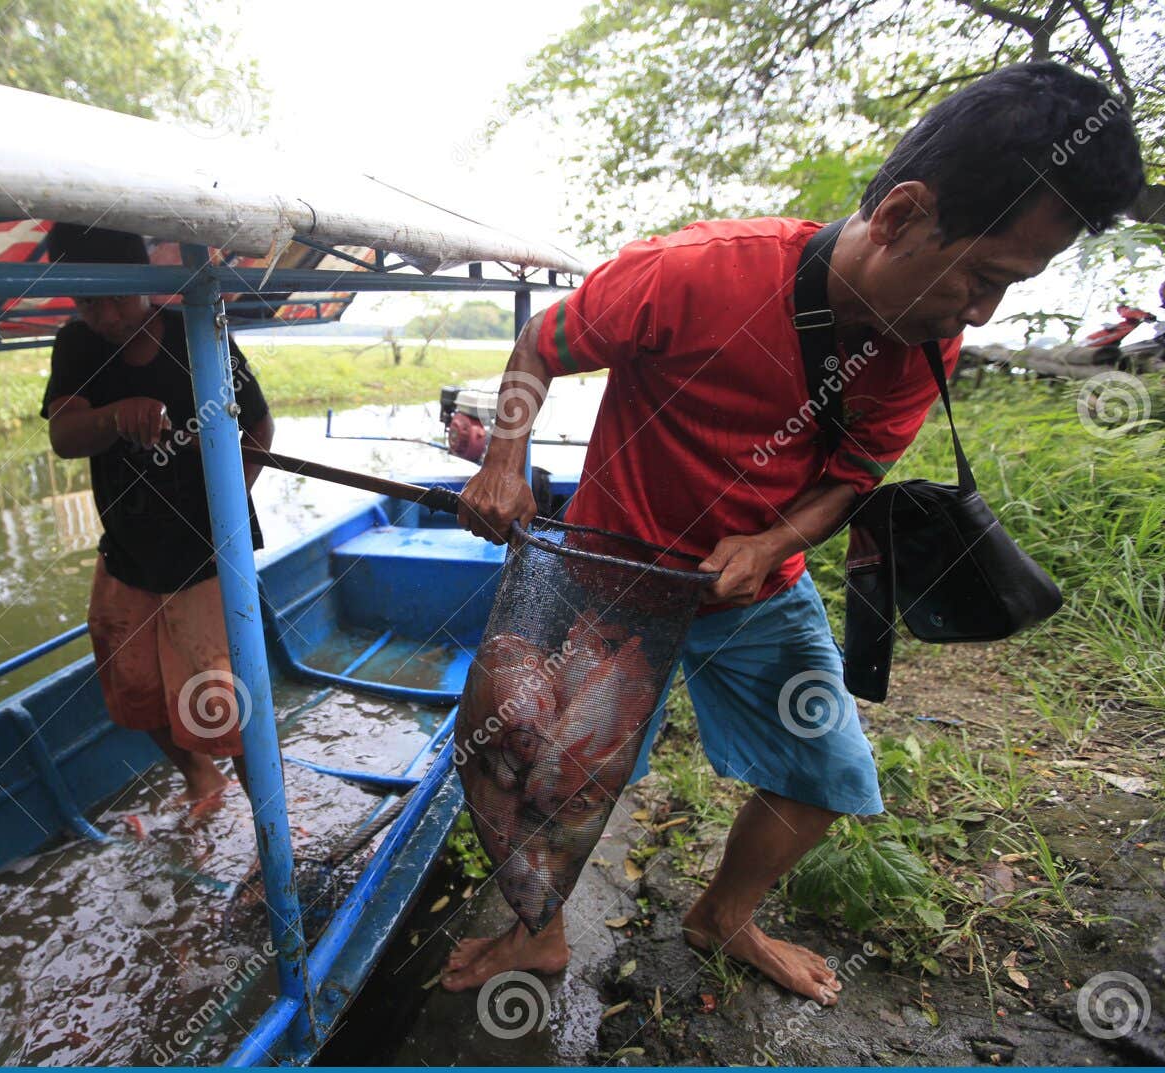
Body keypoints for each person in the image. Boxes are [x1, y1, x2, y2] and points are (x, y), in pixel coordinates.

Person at [447, 63, 1144, 1003]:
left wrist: (771, 542)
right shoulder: (691, 274)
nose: (980, 314)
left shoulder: (924, 340)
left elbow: (854, 474)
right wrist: (502, 460)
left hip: (756, 593)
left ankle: (723, 917)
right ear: (900, 215)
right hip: (611, 576)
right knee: (547, 770)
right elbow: (542, 348)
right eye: (980, 277)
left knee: (825, 771)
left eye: (1007, 289)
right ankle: (540, 936)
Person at [40, 223, 276, 813]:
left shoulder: (200, 334)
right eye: (88, 302)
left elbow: (259, 433)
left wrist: (226, 512)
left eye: (116, 296)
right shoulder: (78, 346)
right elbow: (66, 434)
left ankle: (270, 825)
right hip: (126, 551)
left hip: (205, 556)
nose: (105, 315)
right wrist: (117, 416)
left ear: (145, 283)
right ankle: (201, 777)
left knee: (223, 698)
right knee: (132, 687)